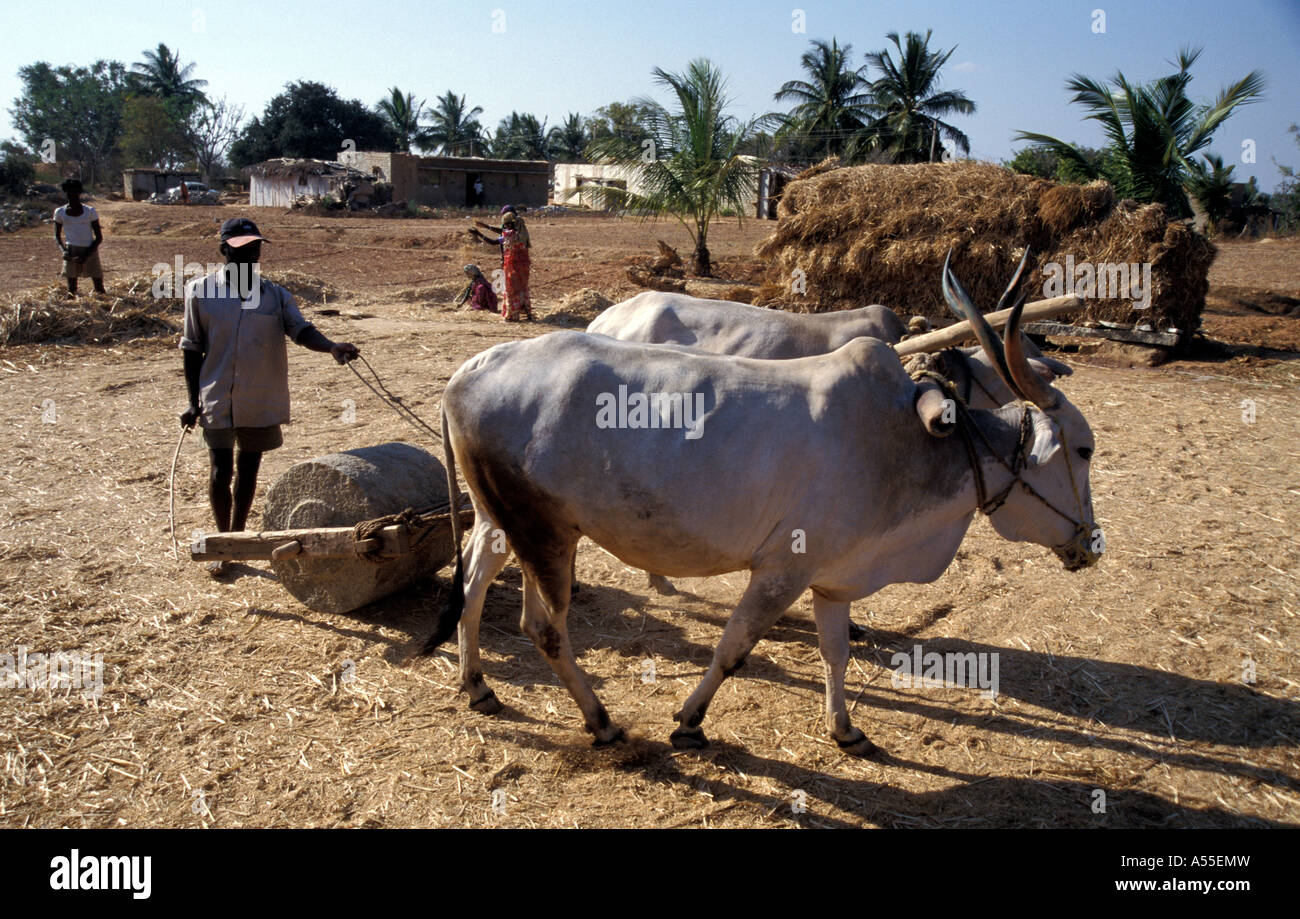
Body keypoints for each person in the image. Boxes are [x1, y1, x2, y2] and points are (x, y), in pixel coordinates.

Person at [179, 217, 360, 576]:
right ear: (223, 249)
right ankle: (222, 541)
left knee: (248, 469)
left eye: (255, 247)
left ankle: (237, 537)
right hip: (215, 395)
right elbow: (191, 348)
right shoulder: (200, 292)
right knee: (220, 469)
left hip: (260, 396)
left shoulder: (274, 295)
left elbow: (301, 330)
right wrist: (191, 400)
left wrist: (331, 347)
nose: (250, 253)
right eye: (241, 247)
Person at [470, 206, 533, 321]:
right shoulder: (522, 235)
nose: (504, 227)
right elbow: (502, 233)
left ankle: (512, 315)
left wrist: (479, 233)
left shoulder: (509, 235)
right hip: (524, 267)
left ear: (509, 224)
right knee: (522, 289)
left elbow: (494, 242)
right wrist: (486, 227)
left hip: (512, 266)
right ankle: (528, 313)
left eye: (505, 224)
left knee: (510, 290)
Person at [53, 178, 105, 295]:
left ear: (79, 193)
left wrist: (85, 255)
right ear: (65, 193)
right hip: (71, 250)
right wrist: (64, 251)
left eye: (75, 192)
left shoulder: (90, 211)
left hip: (90, 249)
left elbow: (99, 237)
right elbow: (57, 236)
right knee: (71, 289)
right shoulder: (60, 212)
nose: (72, 195)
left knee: (99, 286)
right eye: (69, 192)